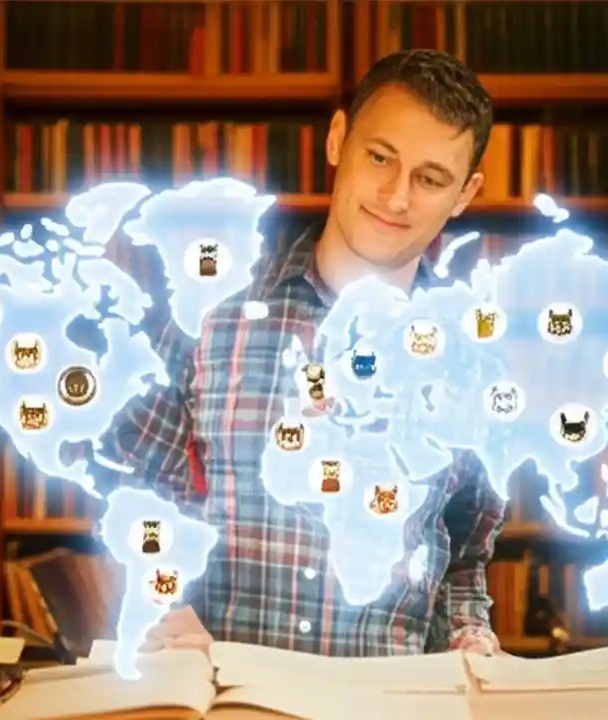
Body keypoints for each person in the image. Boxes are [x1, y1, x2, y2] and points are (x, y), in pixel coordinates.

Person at [106, 49, 507, 657]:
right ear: (338, 139)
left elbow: (463, 562)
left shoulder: (477, 366)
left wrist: (471, 637)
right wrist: (163, 604)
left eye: (429, 178)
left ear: (463, 195)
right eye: (380, 157)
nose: (396, 197)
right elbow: (135, 496)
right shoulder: (206, 316)